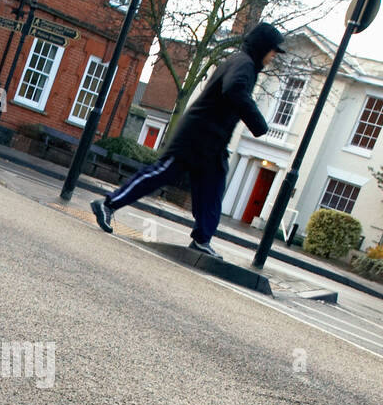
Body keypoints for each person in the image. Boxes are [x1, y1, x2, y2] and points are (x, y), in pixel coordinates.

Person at [91, 23, 285, 259]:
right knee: (161, 174)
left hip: (211, 142)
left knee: (213, 189)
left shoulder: (244, 64)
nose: (273, 56)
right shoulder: (243, 64)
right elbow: (234, 89)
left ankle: (202, 239)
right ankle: (108, 204)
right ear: (262, 46)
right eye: (273, 51)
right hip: (197, 135)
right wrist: (258, 123)